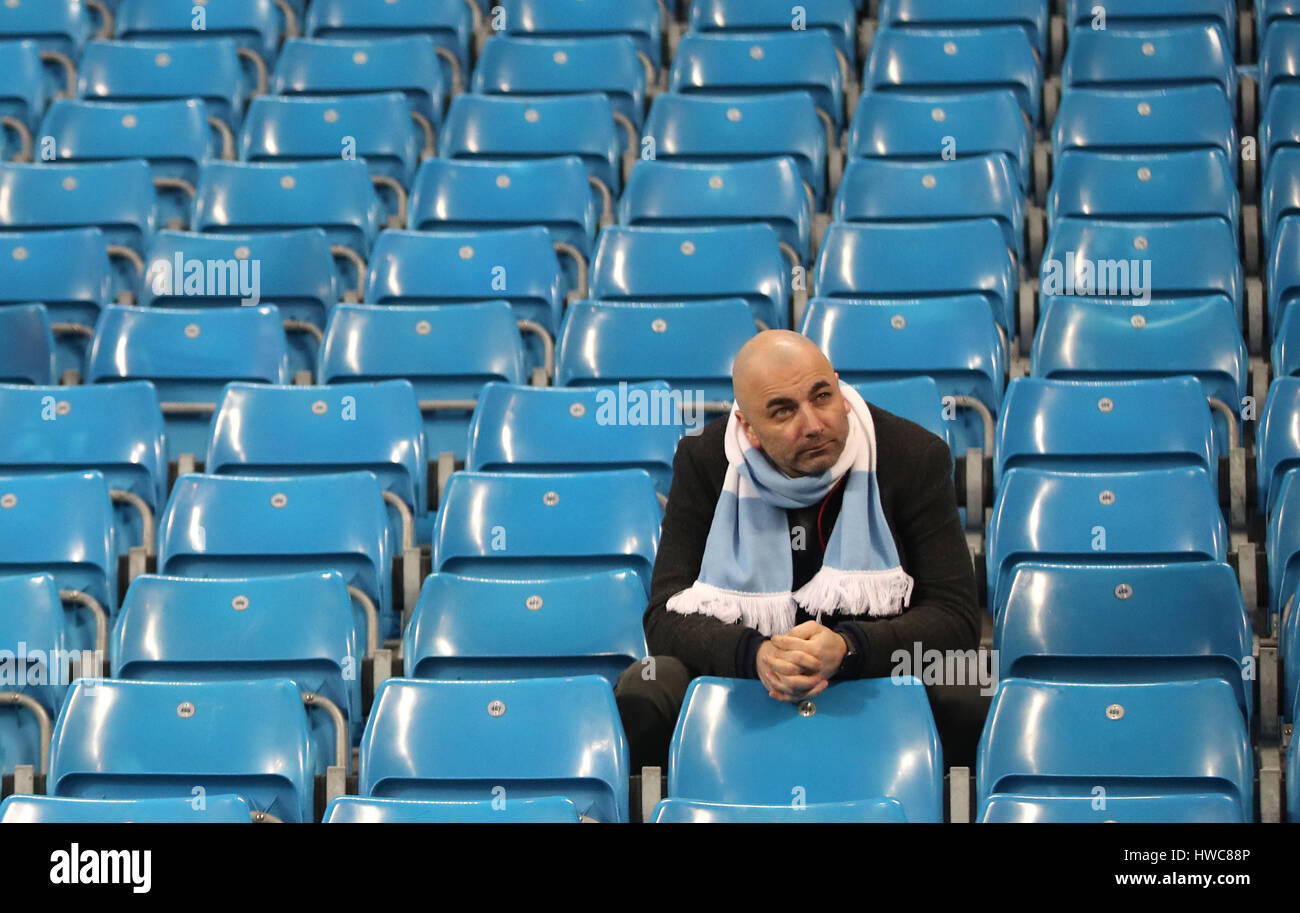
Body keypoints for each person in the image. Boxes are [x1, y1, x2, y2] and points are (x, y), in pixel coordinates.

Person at [614, 330, 985, 769]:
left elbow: (956, 617)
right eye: (783, 411)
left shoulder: (913, 456)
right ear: (747, 428)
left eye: (822, 396)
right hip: (749, 680)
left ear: (840, 390)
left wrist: (849, 648)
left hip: (872, 675)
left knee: (970, 684)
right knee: (648, 685)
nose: (812, 424)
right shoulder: (705, 460)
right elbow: (666, 615)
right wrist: (756, 655)